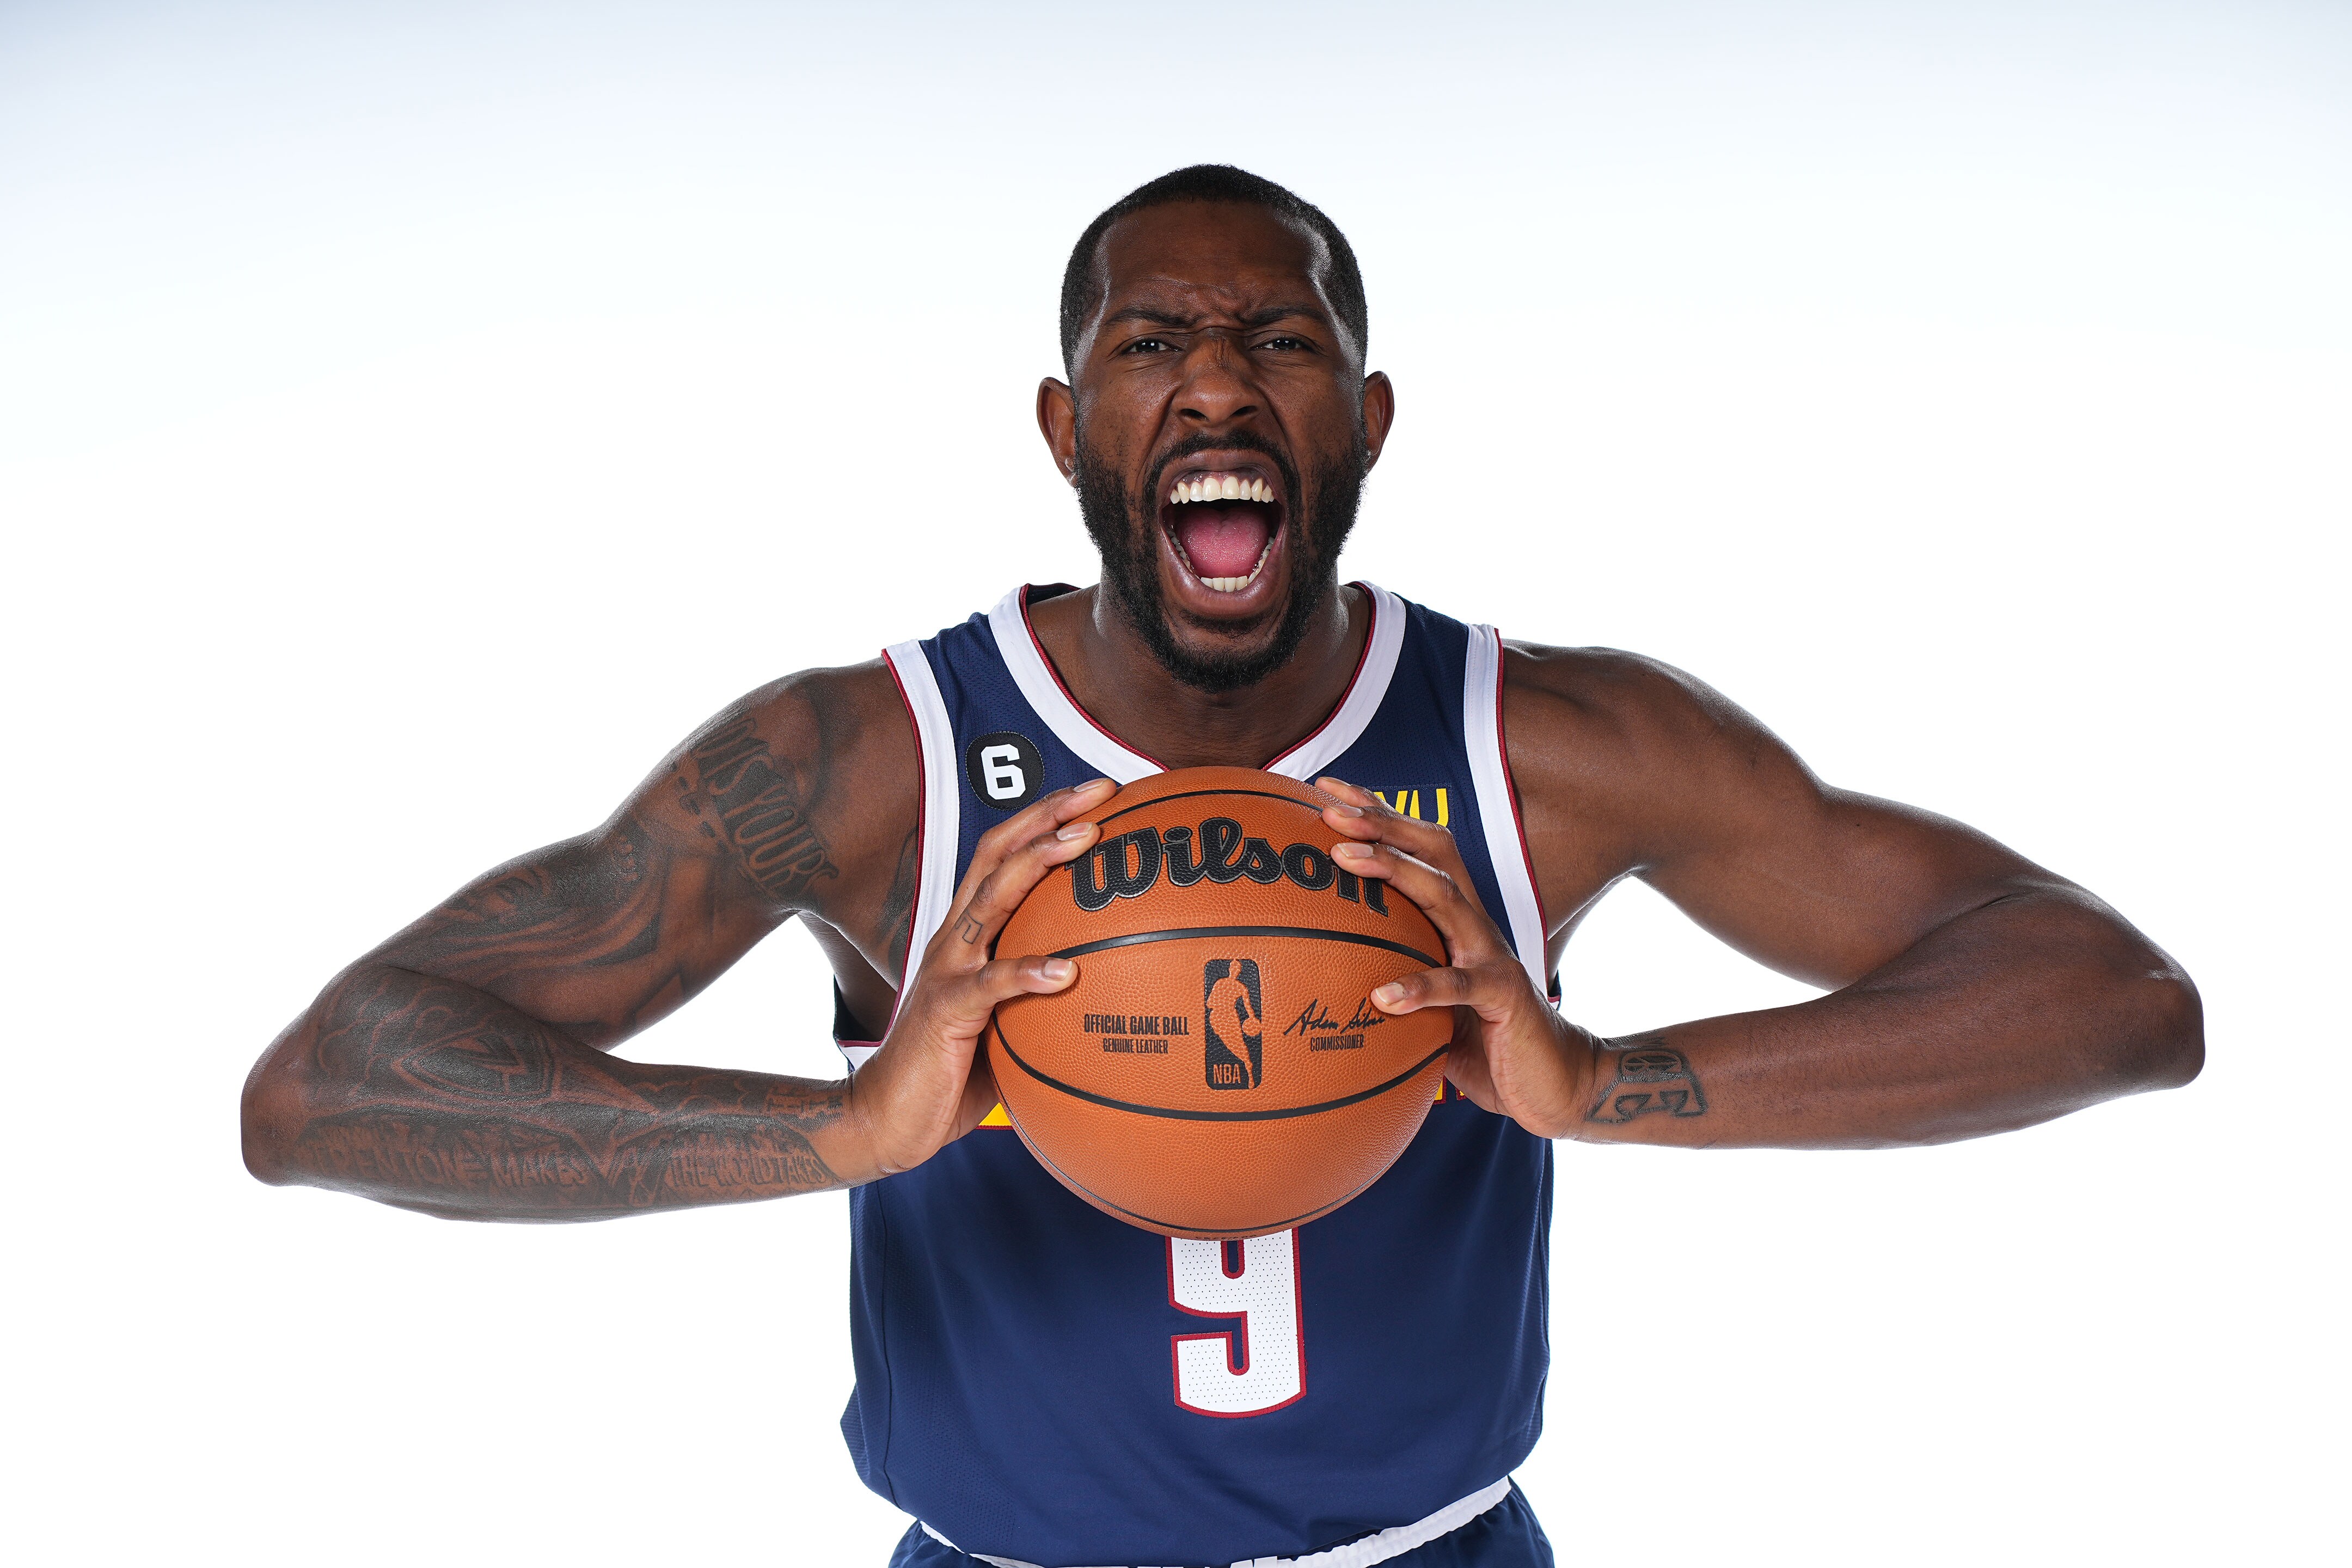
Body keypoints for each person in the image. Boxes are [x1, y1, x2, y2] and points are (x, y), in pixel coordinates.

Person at [240, 165, 2201, 1568]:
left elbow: (2119, 1002)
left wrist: (1606, 1087)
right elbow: (325, 1087)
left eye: (1281, 337)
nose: (1214, 379)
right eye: (1146, 339)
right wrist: (844, 1129)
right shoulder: (869, 767)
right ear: (1064, 422)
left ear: (1361, 418)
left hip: (1435, 1551)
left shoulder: (1550, 747)